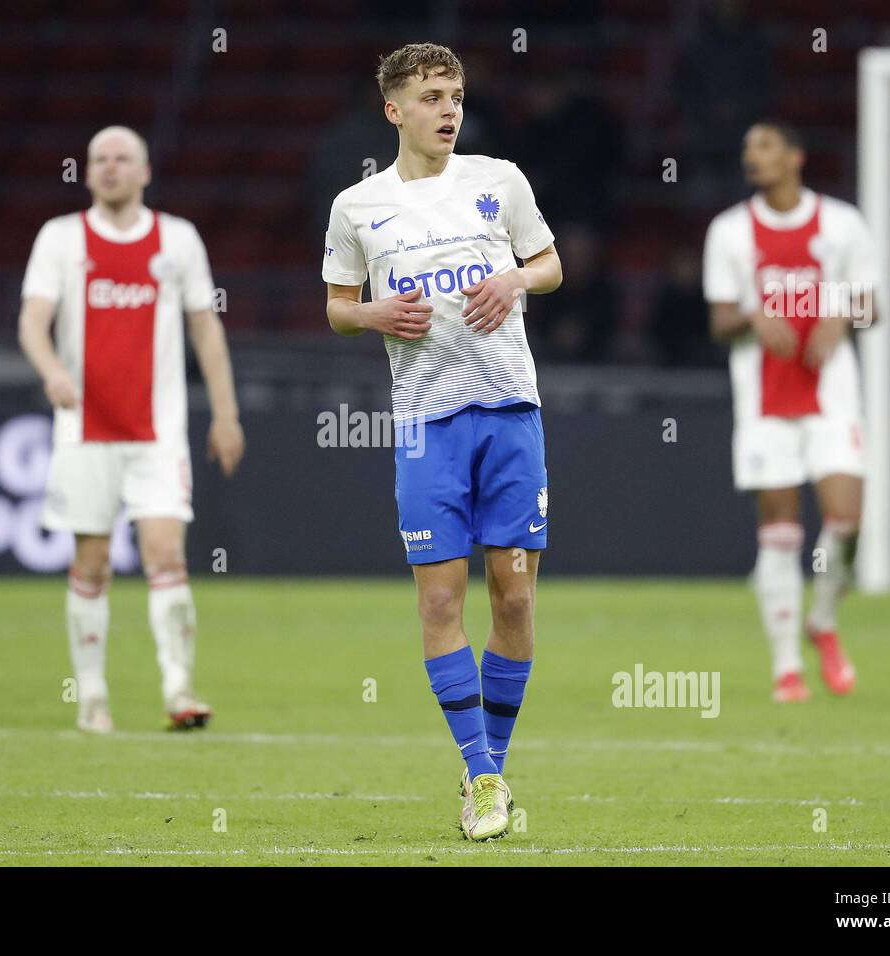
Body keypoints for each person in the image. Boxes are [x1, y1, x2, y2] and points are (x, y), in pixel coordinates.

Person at [323, 44, 561, 840]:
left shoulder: (501, 181)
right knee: (436, 597)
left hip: (509, 413)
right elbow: (337, 307)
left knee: (516, 595)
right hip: (426, 424)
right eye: (431, 96)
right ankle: (484, 775)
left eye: (455, 94)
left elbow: (551, 264)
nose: (448, 109)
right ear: (395, 110)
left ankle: (487, 765)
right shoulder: (357, 206)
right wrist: (374, 315)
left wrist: (514, 280)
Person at [18, 126, 245, 733]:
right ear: (87, 172)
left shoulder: (177, 239)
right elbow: (32, 322)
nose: (110, 168)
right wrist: (51, 373)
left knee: (166, 554)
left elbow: (206, 330)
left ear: (145, 171)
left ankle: (179, 692)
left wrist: (225, 413)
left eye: (122, 159)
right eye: (99, 159)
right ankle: (91, 698)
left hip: (157, 435)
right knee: (90, 563)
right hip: (84, 433)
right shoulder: (60, 239)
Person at [703, 120, 874, 702]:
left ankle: (822, 617)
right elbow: (720, 321)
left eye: (766, 146)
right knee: (780, 531)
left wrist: (838, 312)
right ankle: (786, 667)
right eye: (748, 148)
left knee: (847, 523)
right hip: (765, 402)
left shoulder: (843, 224)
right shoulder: (729, 231)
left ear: (795, 156)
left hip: (832, 395)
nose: (754, 156)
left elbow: (871, 305)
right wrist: (753, 316)